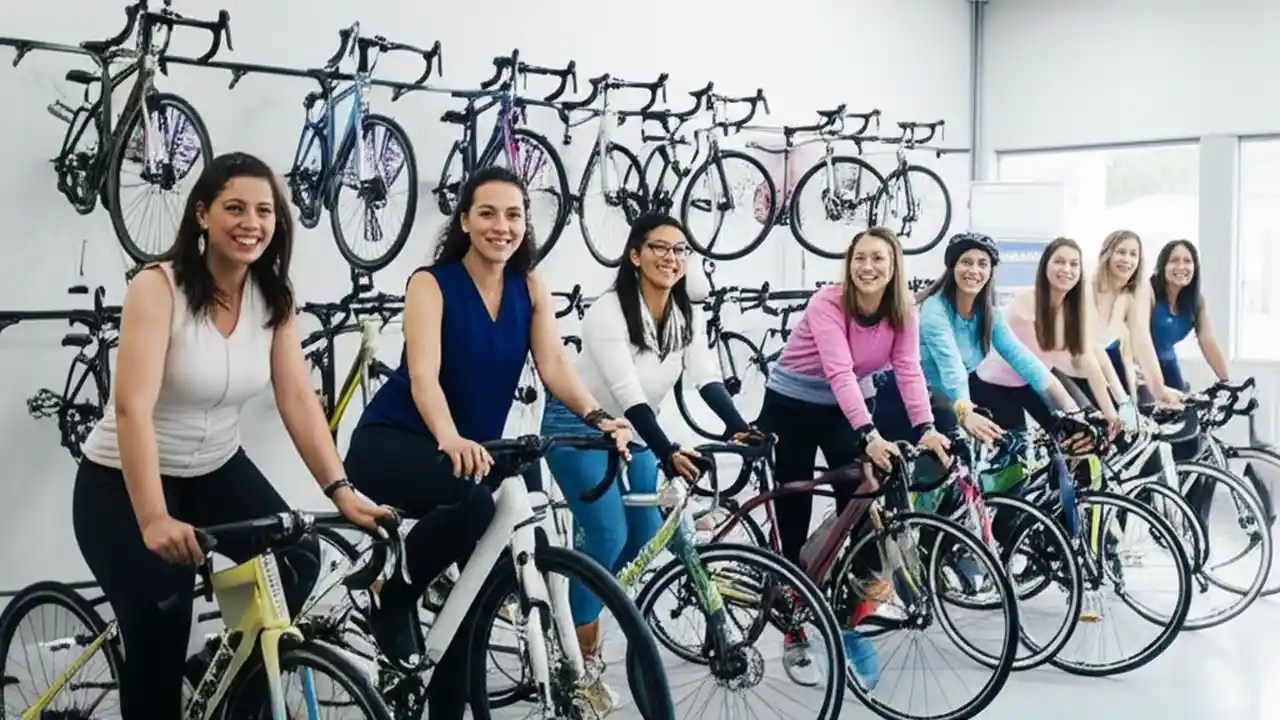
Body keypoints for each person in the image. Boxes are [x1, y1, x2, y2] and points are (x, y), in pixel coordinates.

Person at [72, 152, 392, 720]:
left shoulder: (272, 296)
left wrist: (341, 489)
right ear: (202, 214)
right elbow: (131, 409)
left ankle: (230, 685)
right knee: (163, 622)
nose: (252, 222)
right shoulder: (158, 287)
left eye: (264, 211)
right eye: (235, 208)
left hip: (214, 467)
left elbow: (296, 398)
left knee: (296, 559)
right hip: (122, 483)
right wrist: (152, 518)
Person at [343, 166, 632, 719]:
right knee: (473, 501)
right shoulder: (431, 283)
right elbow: (424, 375)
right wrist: (449, 435)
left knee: (471, 596)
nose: (502, 226)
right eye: (488, 213)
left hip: (468, 454)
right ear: (466, 221)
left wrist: (599, 418)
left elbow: (553, 366)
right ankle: (393, 595)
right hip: (396, 441)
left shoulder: (529, 287)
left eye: (514, 215)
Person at [540, 213, 756, 709]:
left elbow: (705, 377)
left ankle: (576, 602)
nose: (671, 257)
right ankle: (580, 664)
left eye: (680, 250)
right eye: (659, 247)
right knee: (609, 535)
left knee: (643, 538)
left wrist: (739, 426)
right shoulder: (608, 312)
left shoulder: (686, 315)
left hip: (636, 432)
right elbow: (626, 392)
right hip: (578, 427)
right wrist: (668, 451)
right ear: (635, 255)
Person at [756, 226, 951, 682]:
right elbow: (838, 370)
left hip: (847, 408)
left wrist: (926, 429)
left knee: (860, 505)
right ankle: (792, 617)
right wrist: (869, 434)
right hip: (793, 405)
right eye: (860, 258)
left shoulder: (904, 309)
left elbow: (908, 371)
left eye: (878, 259)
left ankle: (843, 614)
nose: (868, 267)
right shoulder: (828, 301)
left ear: (893, 265)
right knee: (794, 510)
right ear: (849, 263)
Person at [918, 232, 1084, 436]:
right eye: (966, 262)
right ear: (953, 267)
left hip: (958, 398)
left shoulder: (989, 314)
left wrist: (1072, 409)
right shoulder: (934, 309)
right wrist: (965, 412)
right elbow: (951, 367)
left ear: (990, 271)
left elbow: (1022, 358)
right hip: (924, 398)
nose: (974, 270)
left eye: (982, 264)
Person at [973, 237, 1123, 436]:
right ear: (1045, 266)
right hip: (994, 385)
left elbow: (1087, 360)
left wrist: (1111, 413)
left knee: (1075, 435)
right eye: (1059, 261)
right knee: (1017, 452)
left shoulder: (1074, 311)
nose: (1067, 269)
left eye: (1074, 264)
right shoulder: (1026, 304)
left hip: (1031, 382)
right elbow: (1045, 365)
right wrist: (1074, 409)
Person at [1092, 230, 1182, 410]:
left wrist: (1158, 388)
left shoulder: (1135, 292)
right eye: (1121, 252)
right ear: (1107, 253)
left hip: (1114, 370)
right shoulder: (1088, 284)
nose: (1127, 260)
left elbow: (1142, 341)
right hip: (1082, 367)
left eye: (1134, 254)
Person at [1148, 239, 1230, 392]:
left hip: (1166, 361)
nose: (1181, 267)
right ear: (1162, 266)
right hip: (1131, 361)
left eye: (1187, 261)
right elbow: (1139, 339)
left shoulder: (1196, 302)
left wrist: (1227, 382)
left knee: (1185, 409)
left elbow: (1208, 341)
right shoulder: (1148, 291)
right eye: (1174, 261)